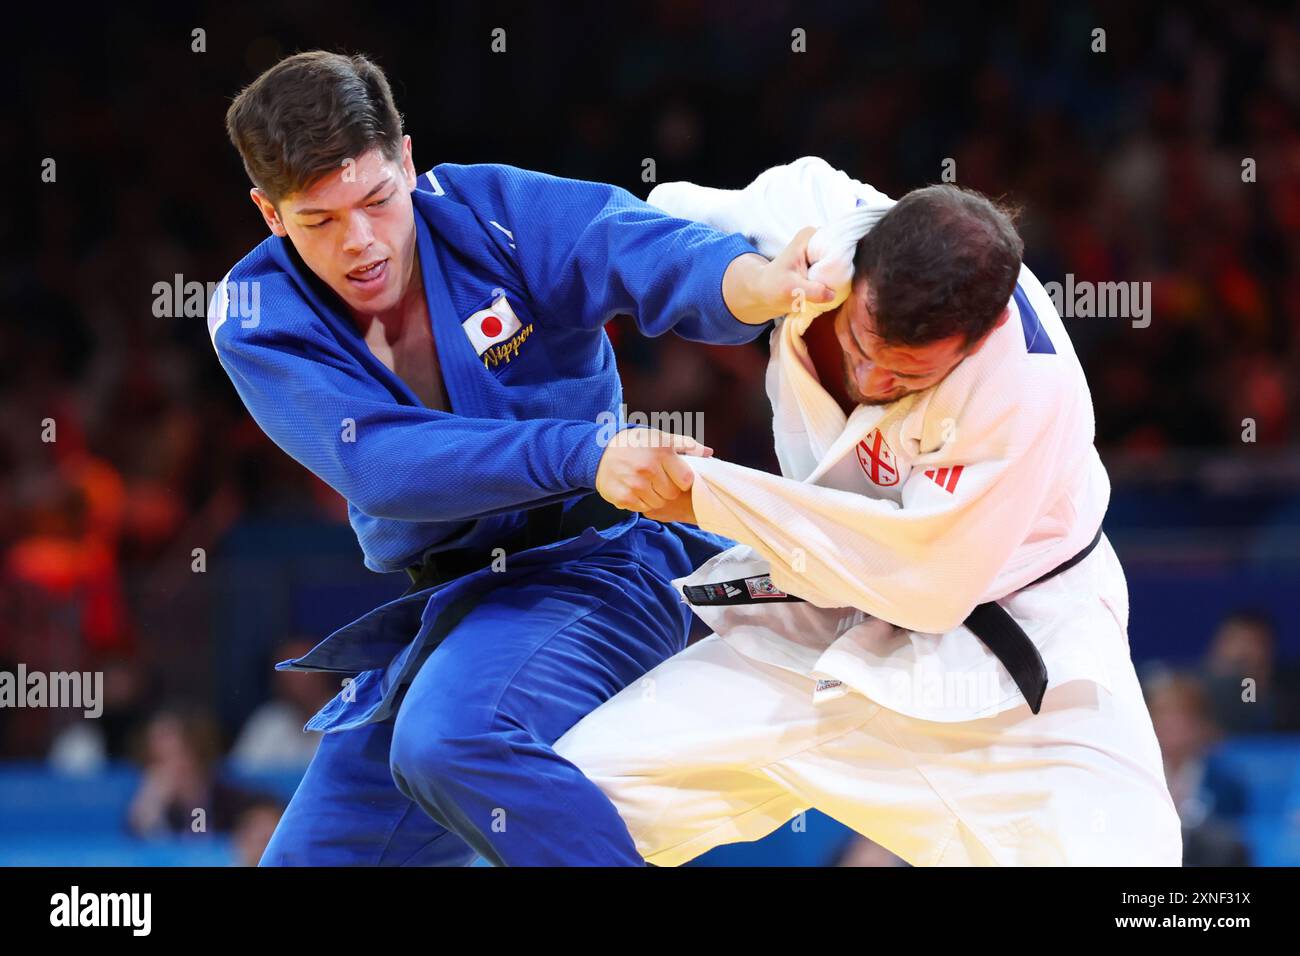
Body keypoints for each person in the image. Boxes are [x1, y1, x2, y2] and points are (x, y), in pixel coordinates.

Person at [209, 51, 823, 866]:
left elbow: (635, 247)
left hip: (603, 565)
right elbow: (384, 465)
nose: (361, 243)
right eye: (320, 220)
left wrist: (758, 283)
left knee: (451, 740)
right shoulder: (258, 313)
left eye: (377, 200)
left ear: (408, 159)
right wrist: (587, 451)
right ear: (269, 214)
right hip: (460, 613)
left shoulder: (492, 213)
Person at [555, 157, 1184, 866]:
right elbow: (658, 218)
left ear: (984, 333)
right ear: (859, 271)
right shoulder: (821, 220)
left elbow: (923, 580)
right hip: (814, 629)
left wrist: (711, 496)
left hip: (1015, 662)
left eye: (909, 373)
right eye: (860, 342)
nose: (873, 377)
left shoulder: (1028, 386)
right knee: (570, 799)